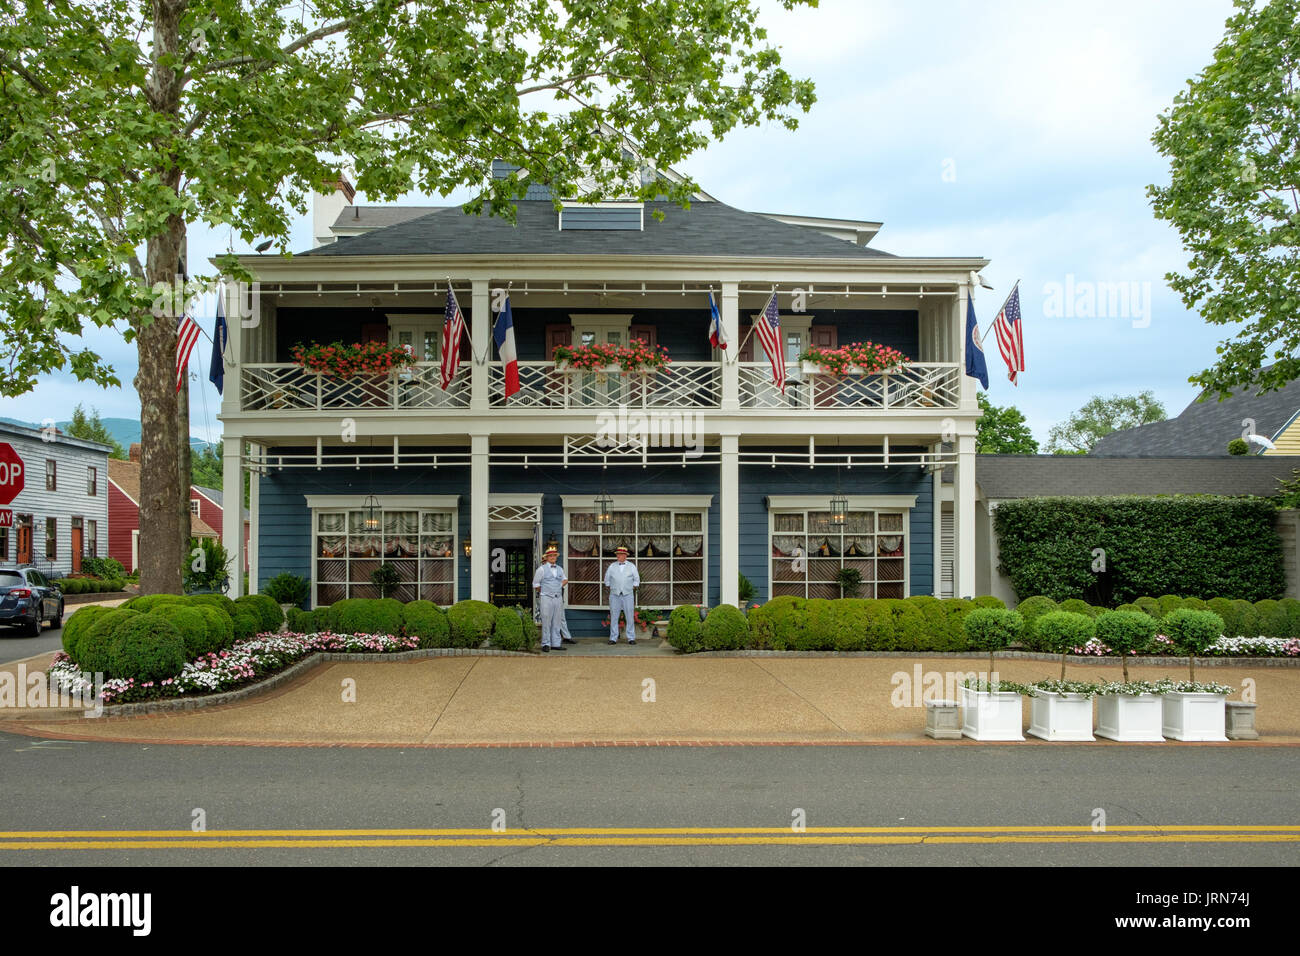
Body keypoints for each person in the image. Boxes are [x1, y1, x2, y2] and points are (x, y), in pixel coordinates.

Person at [532, 545, 567, 652]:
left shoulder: (560, 569)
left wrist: (558, 586)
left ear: (556, 557)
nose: (552, 557)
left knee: (557, 620)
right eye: (550, 556)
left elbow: (565, 580)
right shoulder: (541, 569)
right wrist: (544, 591)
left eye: (554, 555)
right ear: (546, 557)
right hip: (546, 597)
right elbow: (535, 584)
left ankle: (556, 643)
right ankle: (546, 643)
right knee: (546, 621)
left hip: (558, 597)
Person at [604, 545, 640, 645]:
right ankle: (613, 638)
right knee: (614, 616)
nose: (618, 556)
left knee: (629, 616)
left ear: (625, 556)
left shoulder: (632, 566)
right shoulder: (612, 566)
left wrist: (632, 587)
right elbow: (606, 579)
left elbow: (637, 580)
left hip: (628, 594)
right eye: (618, 554)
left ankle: (631, 638)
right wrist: (612, 587)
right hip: (614, 595)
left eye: (621, 554)